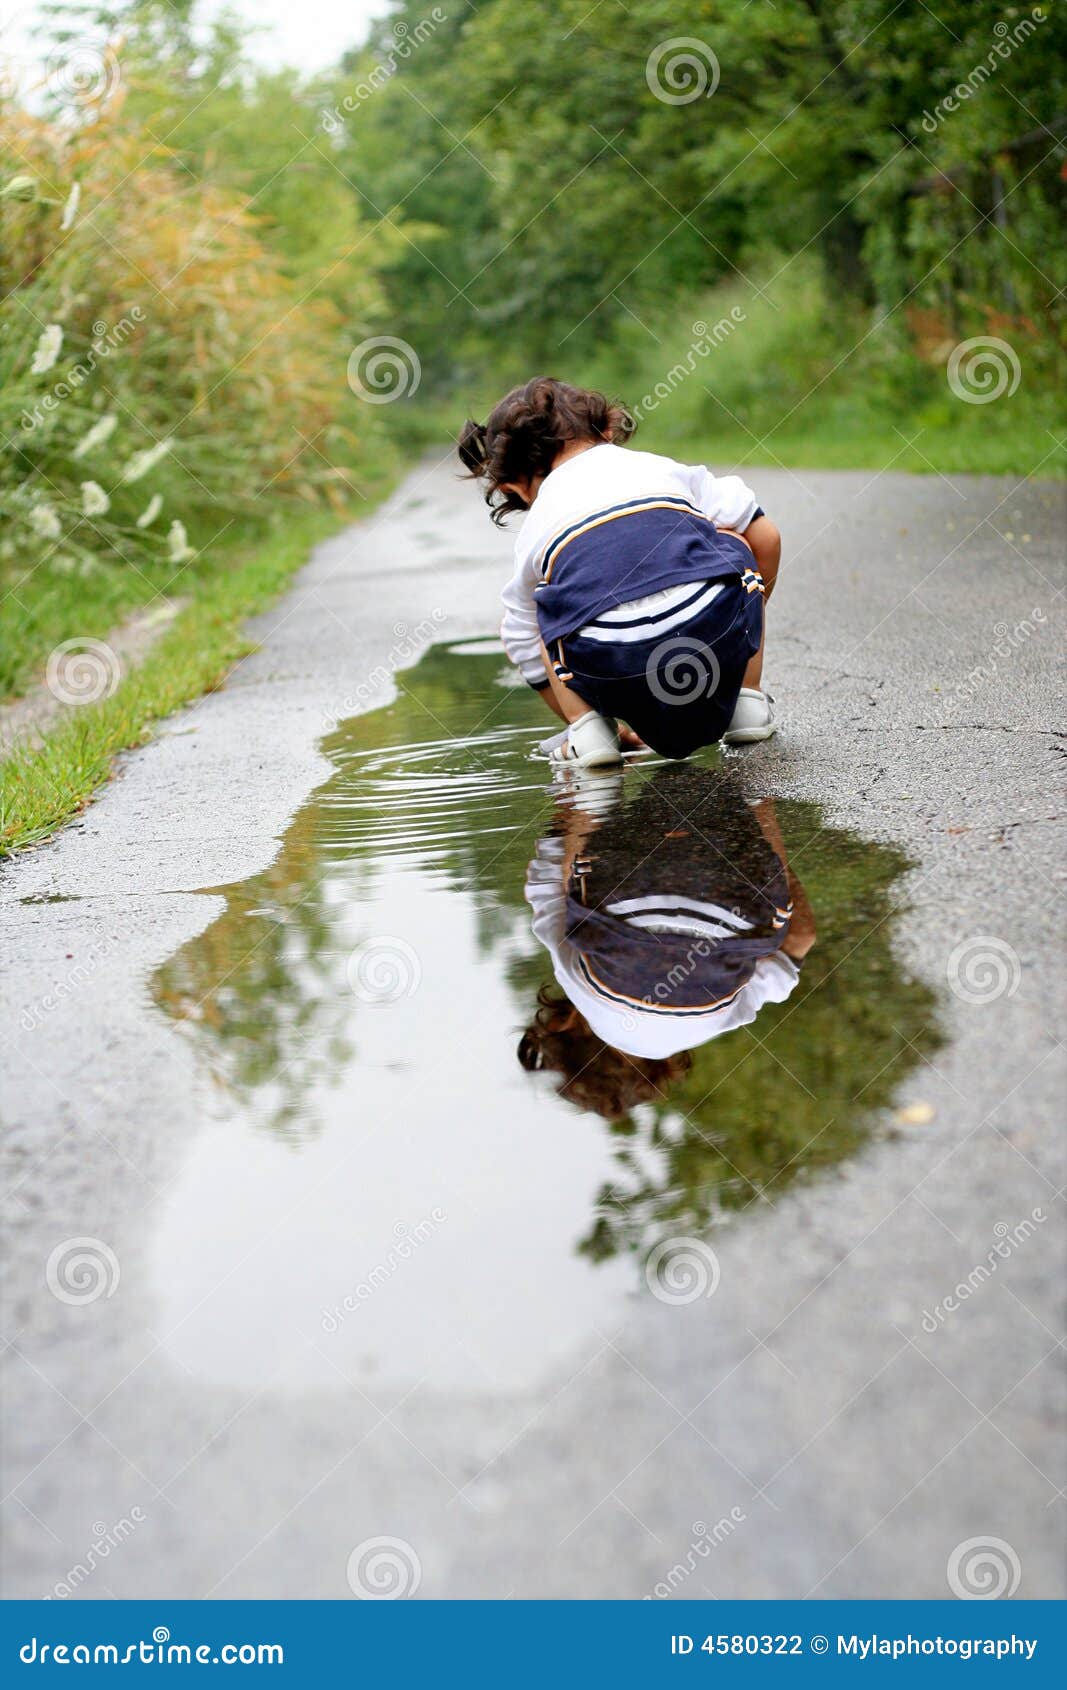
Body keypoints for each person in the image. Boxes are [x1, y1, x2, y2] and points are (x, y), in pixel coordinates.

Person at [458, 377, 781, 767]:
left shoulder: (536, 525)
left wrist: (585, 715)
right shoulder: (657, 467)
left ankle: (590, 733)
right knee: (736, 536)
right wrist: (743, 626)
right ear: (608, 430)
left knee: (546, 603)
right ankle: (747, 700)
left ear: (515, 486)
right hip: (711, 628)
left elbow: (520, 638)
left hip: (612, 660)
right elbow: (767, 535)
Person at [518, 764, 816, 1115]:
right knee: (579, 907)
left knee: (763, 920)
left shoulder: (715, 1022)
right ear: (564, 1026)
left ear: (660, 1069)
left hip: (726, 869)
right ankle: (594, 776)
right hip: (629, 867)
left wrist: (763, 853)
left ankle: (755, 786)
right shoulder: (582, 995)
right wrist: (568, 800)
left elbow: (803, 936)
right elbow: (548, 887)